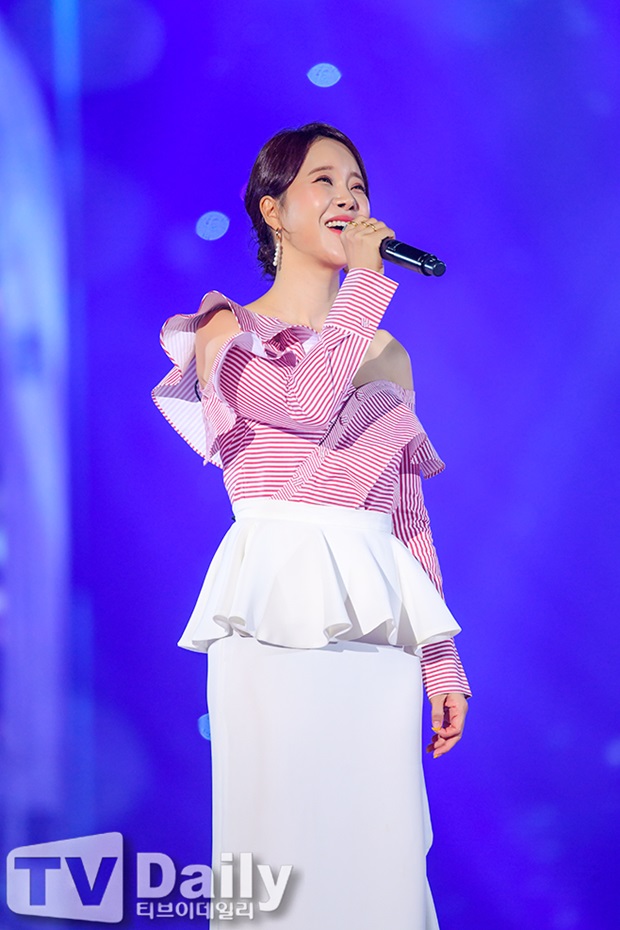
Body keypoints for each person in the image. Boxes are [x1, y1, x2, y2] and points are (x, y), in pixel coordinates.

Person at [152, 121, 472, 929]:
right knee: (281, 849)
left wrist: (440, 659)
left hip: (375, 629)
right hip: (274, 611)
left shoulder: (387, 353)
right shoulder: (225, 330)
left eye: (357, 187)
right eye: (324, 183)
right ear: (273, 211)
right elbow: (304, 403)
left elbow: (405, 513)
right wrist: (365, 287)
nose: (348, 200)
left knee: (381, 852)